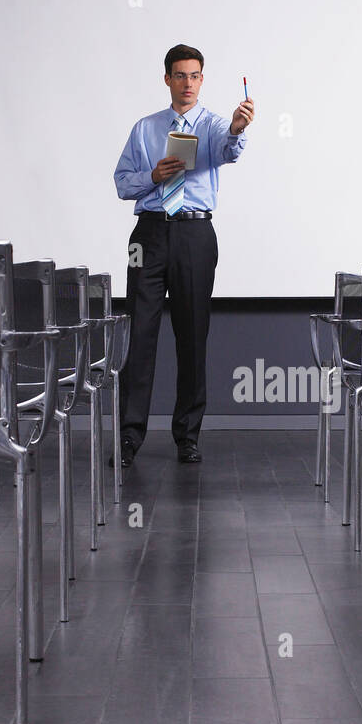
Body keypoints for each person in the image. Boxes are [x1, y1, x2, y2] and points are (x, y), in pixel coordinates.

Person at [112, 44, 254, 466]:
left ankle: (187, 437)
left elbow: (229, 150)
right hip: (148, 236)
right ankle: (129, 437)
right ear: (167, 79)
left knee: (192, 335)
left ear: (202, 80)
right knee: (140, 335)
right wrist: (151, 176)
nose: (187, 83)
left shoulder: (213, 126)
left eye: (194, 76)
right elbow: (122, 183)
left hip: (195, 233)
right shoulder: (144, 128)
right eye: (179, 75)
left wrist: (238, 129)